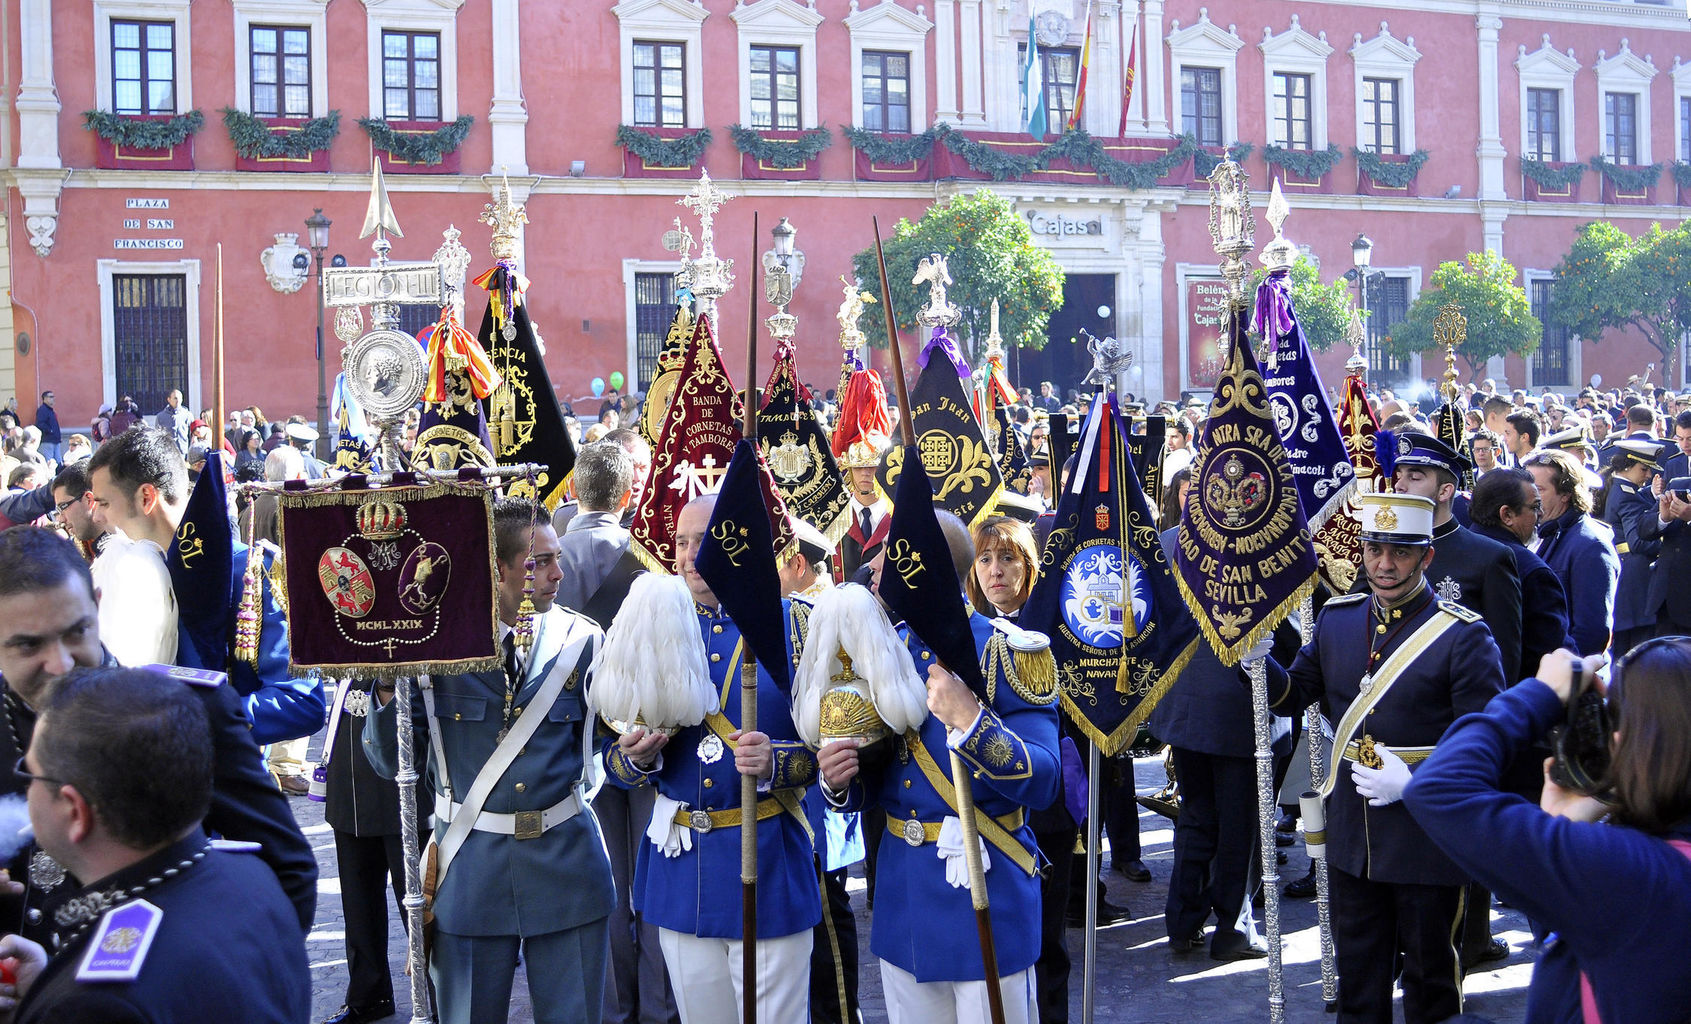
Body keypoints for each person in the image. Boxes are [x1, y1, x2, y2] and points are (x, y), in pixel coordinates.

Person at [366, 497, 616, 1024]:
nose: (557, 573)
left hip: (566, 870)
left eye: (555, 558)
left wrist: (634, 755)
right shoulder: (435, 648)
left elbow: (606, 747)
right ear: (496, 569)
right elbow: (391, 760)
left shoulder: (583, 641)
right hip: (471, 874)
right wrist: (386, 678)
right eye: (539, 562)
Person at [0, 527, 319, 935]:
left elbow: (287, 868)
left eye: (75, 632)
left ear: (97, 606)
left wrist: (223, 978)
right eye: (29, 646)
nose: (60, 663)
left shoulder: (190, 707)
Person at [1267, 492, 1506, 1024]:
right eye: (1375, 549)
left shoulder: (1463, 635)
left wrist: (1416, 780)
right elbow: (1294, 695)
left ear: (1426, 557)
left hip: (1426, 834)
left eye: (1400, 552)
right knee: (1359, 980)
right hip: (1355, 832)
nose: (1384, 564)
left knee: (1430, 982)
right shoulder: (1338, 619)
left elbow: (1486, 744)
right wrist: (1257, 661)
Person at [818, 509, 1059, 1024]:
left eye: (888, 554)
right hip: (905, 899)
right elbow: (879, 780)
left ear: (920, 566)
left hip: (986, 891)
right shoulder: (881, 656)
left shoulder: (1007, 652)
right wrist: (839, 780)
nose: (873, 567)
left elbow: (1044, 781)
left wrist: (973, 721)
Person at [602, 493, 820, 1024]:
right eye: (681, 541)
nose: (690, 555)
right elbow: (611, 759)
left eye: (704, 541)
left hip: (767, 866)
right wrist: (636, 760)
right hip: (683, 875)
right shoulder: (649, 625)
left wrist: (776, 762)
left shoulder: (796, 626)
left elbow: (829, 750)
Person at [0, 666, 311, 1023]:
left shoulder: (96, 1003)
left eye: (30, 773)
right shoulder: (250, 875)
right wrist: (47, 988)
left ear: (74, 811)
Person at [1403, 640, 1691, 1024]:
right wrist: (1565, 833)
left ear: (1629, 741)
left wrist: (1539, 695)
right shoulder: (1650, 865)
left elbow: (1436, 788)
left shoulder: (1630, 872)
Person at [85, 428, 324, 745]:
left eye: (103, 502)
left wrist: (187, 717)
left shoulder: (252, 571)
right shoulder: (129, 571)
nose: (96, 516)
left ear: (146, 498)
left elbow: (300, 702)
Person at [554, 440, 679, 1024]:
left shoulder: (551, 555)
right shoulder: (647, 552)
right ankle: (659, 1006)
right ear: (629, 494)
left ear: (575, 489)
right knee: (653, 877)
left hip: (576, 740)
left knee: (604, 884)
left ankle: (613, 1008)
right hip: (651, 734)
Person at [1148, 513, 1273, 962]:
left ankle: (1182, 920)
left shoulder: (1168, 540)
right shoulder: (1264, 538)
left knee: (1197, 815)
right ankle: (1231, 930)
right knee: (1239, 827)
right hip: (1238, 705)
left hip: (1184, 703)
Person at [319, 677, 421, 1024]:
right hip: (350, 759)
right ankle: (369, 993)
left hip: (404, 750)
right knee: (357, 892)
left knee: (419, 897)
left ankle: (438, 996)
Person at [1467, 469, 1572, 677]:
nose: (1540, 514)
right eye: (1534, 507)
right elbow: (1549, 654)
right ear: (1506, 515)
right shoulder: (1532, 571)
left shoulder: (1452, 550)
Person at [1524, 449, 1620, 657]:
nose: (1530, 499)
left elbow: (1592, 633)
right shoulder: (1542, 530)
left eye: (1539, 490)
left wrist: (1562, 676)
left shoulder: (1591, 545)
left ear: (1566, 493)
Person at [1603, 440, 1664, 655]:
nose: (1647, 475)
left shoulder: (1620, 489)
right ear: (1627, 465)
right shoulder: (1627, 496)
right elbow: (1638, 542)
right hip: (1635, 583)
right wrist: (1667, 543)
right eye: (1644, 469)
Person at [1640, 410, 1691, 639]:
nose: (1685, 444)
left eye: (1690, 439)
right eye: (1680, 439)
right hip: (1669, 591)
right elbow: (1645, 527)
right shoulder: (1675, 466)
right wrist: (1663, 518)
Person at [48, 465, 102, 562]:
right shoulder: (85, 548)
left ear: (89, 500)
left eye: (63, 507)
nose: (61, 519)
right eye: (58, 511)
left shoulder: (125, 552)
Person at [155, 388, 189, 454]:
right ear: (169, 399)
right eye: (175, 398)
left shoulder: (187, 415)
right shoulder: (160, 416)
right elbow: (158, 436)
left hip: (183, 452)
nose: (178, 400)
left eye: (180, 398)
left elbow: (191, 434)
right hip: (168, 452)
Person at [31, 392, 59, 467]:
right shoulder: (43, 410)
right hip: (47, 440)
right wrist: (50, 430)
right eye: (51, 397)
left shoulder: (50, 410)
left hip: (54, 440)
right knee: (49, 462)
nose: (53, 398)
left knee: (57, 462)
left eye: (53, 396)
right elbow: (40, 424)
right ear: (45, 399)